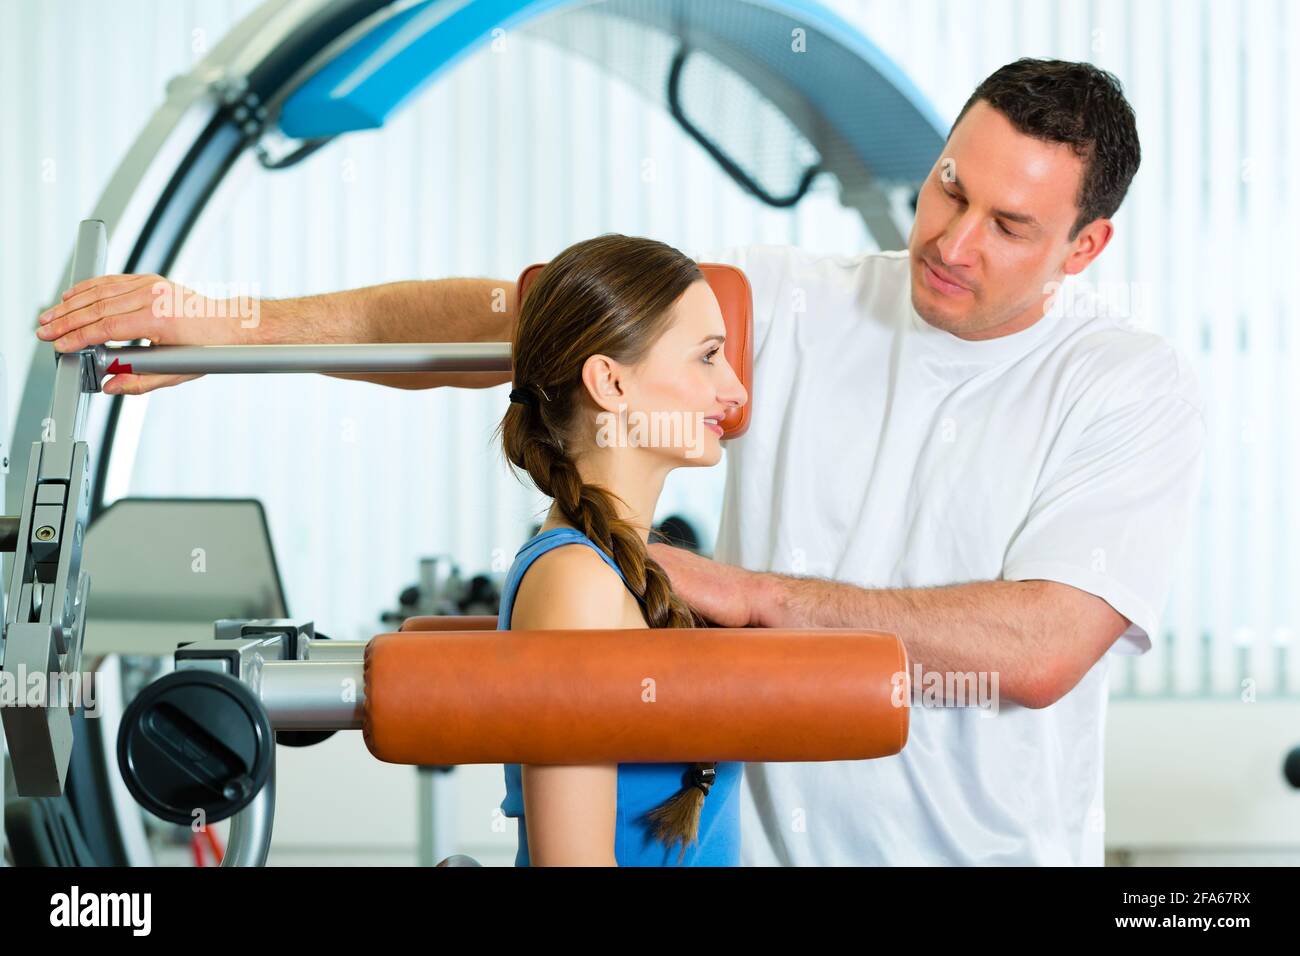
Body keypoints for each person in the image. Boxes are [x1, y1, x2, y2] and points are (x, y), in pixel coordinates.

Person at [37, 58, 1204, 866]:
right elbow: (515, 317)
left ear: (1084, 246)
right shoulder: (802, 306)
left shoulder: (1124, 385)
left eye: (1008, 225)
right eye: (949, 183)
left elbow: (1043, 646)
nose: (949, 240)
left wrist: (745, 599)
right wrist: (243, 329)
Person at [498, 233, 747, 865]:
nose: (736, 391)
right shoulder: (575, 583)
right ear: (610, 382)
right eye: (709, 357)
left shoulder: (613, 573)